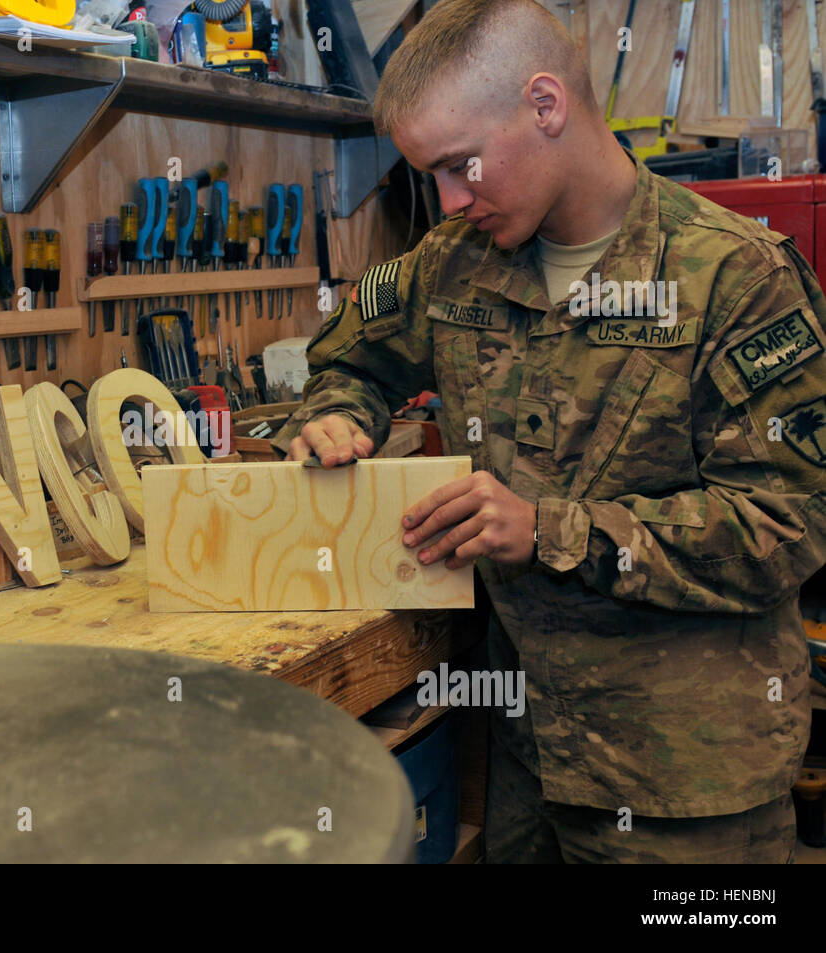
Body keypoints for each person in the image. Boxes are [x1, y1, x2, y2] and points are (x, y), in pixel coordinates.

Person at [273, 0, 826, 862]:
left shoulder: (734, 276)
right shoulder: (453, 262)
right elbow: (349, 358)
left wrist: (547, 531)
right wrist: (340, 413)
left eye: (461, 165)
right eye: (430, 177)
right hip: (527, 757)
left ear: (545, 105)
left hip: (686, 790)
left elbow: (789, 526)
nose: (450, 202)